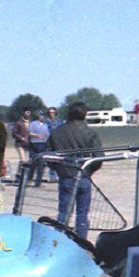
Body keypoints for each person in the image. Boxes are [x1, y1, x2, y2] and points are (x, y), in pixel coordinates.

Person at [47, 101, 102, 239]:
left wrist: (58, 169)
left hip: (65, 177)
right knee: (82, 214)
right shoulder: (90, 133)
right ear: (84, 115)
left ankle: (58, 241)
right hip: (83, 177)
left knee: (63, 213)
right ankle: (81, 242)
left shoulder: (56, 132)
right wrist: (88, 171)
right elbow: (99, 158)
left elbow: (46, 155)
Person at [28, 110, 51, 186]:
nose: (43, 117)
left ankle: (38, 182)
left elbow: (47, 135)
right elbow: (29, 133)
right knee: (32, 164)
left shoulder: (45, 125)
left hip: (43, 145)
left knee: (41, 165)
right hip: (34, 145)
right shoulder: (33, 124)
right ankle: (29, 180)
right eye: (41, 115)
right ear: (38, 116)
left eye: (44, 115)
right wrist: (37, 136)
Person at [46, 107, 64, 182]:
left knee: (59, 159)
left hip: (58, 142)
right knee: (51, 159)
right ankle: (52, 177)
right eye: (50, 112)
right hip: (49, 142)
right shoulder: (45, 122)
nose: (51, 114)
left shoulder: (59, 122)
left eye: (53, 112)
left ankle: (59, 175)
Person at [12, 107, 31, 172]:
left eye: (29, 112)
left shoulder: (31, 123)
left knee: (27, 161)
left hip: (28, 144)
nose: (28, 113)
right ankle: (19, 175)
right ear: (23, 113)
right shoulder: (18, 123)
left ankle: (24, 174)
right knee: (22, 160)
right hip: (20, 144)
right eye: (26, 112)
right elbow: (14, 133)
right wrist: (21, 138)